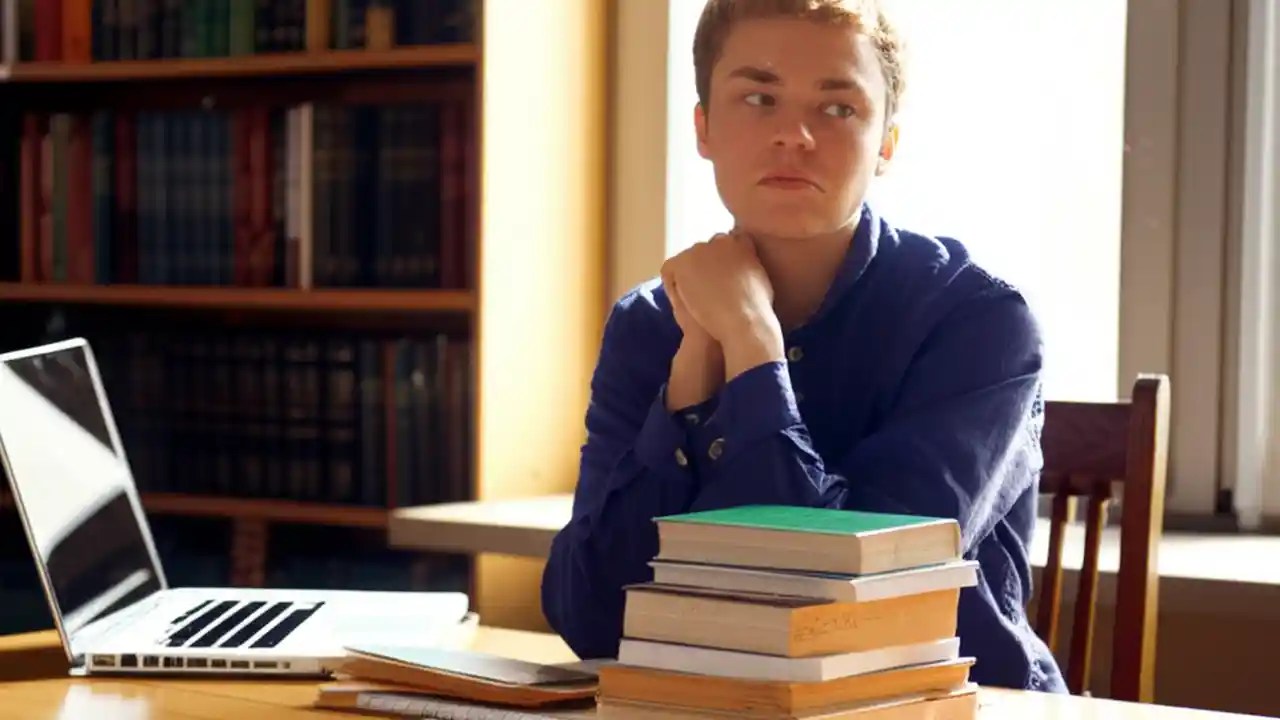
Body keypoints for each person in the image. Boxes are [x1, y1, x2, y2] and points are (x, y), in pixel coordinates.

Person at [541, 0, 1067, 693]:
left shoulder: (979, 321)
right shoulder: (650, 323)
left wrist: (754, 348)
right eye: (758, 97)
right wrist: (696, 362)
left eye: (838, 109)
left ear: (886, 143)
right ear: (703, 127)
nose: (794, 135)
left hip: (938, 708)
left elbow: (836, 600)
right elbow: (593, 616)